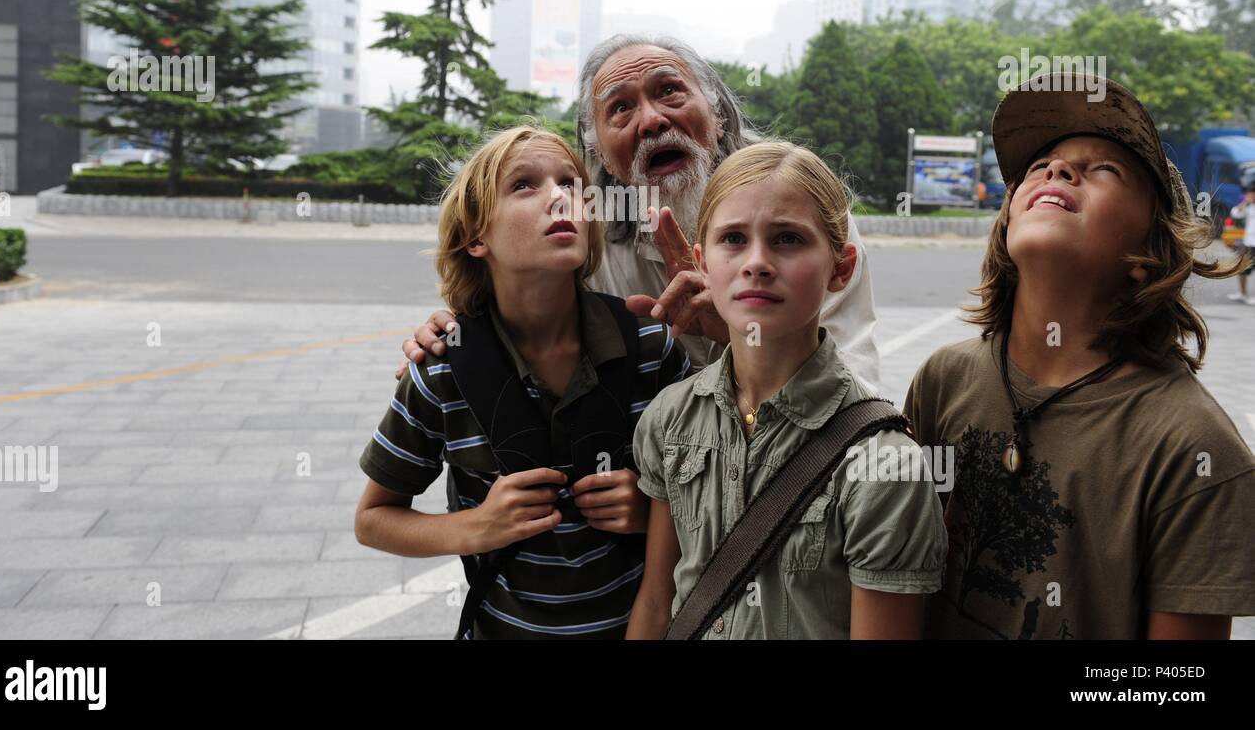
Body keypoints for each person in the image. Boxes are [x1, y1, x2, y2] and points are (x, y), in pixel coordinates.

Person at [904, 75, 1255, 640]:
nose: (1058, 171)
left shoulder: (1195, 446)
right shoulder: (943, 380)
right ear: (1008, 220)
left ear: (1147, 252)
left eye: (1105, 169)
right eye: (1041, 165)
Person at [398, 34, 882, 393]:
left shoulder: (803, 208)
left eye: (670, 90)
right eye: (620, 108)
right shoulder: (589, 231)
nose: (651, 120)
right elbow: (524, 312)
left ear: (717, 115)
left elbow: (857, 389)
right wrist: (455, 338)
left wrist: (745, 335)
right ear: (600, 154)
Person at [354, 125, 690, 638]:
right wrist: (475, 527)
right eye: (524, 185)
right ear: (475, 236)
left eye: (570, 183)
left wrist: (653, 510)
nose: (559, 197)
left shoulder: (650, 348)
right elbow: (373, 519)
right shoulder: (441, 370)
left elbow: (719, 493)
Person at [627, 141, 946, 639]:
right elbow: (655, 602)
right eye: (733, 238)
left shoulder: (884, 465)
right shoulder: (669, 419)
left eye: (788, 239)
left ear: (841, 268)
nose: (757, 262)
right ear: (701, 263)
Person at [1226, 184, 1255, 304]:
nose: (1249, 196)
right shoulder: (1248, 207)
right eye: (1247, 195)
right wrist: (1245, 203)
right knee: (1243, 269)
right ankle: (1242, 293)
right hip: (1248, 243)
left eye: (1251, 194)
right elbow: (1235, 213)